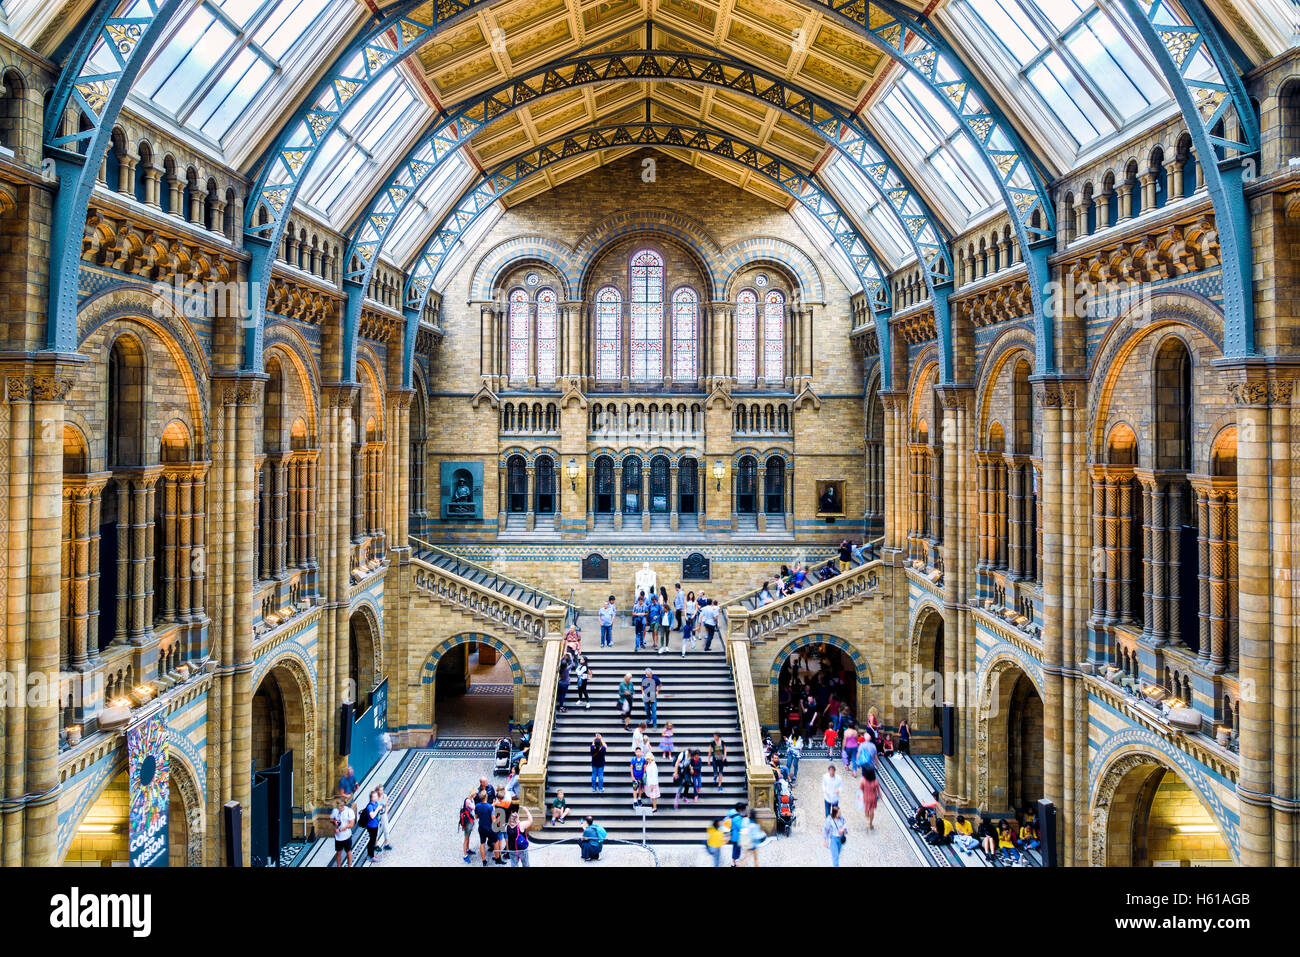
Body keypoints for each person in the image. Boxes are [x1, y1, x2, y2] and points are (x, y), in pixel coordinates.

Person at [331, 797, 356, 868]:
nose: (339, 810)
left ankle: (349, 866)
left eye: (340, 808)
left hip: (347, 836)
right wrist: (334, 821)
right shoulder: (335, 810)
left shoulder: (349, 811)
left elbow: (351, 824)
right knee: (338, 853)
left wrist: (340, 829)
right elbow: (331, 819)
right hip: (338, 837)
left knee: (348, 852)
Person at [473, 790, 495, 866]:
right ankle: (496, 856)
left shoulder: (477, 806)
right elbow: (493, 820)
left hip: (481, 827)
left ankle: (484, 861)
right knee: (496, 841)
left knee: (482, 843)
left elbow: (476, 817)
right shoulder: (490, 807)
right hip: (489, 828)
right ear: (486, 797)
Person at [724, 802, 747, 866]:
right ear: (739, 810)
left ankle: (735, 861)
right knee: (736, 850)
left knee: (736, 849)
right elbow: (741, 827)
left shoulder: (732, 812)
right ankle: (734, 863)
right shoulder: (737, 818)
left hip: (734, 836)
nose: (744, 811)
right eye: (743, 809)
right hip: (736, 837)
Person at [361, 789, 381, 861]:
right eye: (375, 797)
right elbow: (372, 816)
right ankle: (371, 856)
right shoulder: (370, 806)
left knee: (373, 840)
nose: (376, 797)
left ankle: (370, 854)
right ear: (371, 798)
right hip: (371, 826)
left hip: (375, 824)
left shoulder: (376, 803)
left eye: (376, 796)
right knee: (372, 841)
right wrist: (378, 809)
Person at [374, 783, 393, 851]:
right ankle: (375, 845)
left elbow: (386, 805)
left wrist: (386, 811)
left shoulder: (384, 796)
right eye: (380, 790)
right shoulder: (375, 798)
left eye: (382, 790)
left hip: (383, 813)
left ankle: (386, 843)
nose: (381, 792)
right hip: (377, 815)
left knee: (386, 828)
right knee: (376, 830)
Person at [458, 793, 476, 863]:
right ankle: (465, 855)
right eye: (475, 794)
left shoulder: (469, 799)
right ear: (472, 794)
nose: (476, 795)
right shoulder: (468, 801)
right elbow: (474, 808)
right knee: (466, 838)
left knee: (468, 837)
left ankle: (468, 849)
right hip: (467, 823)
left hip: (469, 822)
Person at [681, 590, 698, 655]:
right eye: (690, 595)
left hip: (693, 614)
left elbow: (696, 608)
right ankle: (688, 636)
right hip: (688, 614)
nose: (691, 596)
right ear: (688, 595)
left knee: (693, 625)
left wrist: (694, 614)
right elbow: (685, 608)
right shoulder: (686, 601)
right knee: (688, 626)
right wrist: (685, 615)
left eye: (692, 595)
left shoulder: (695, 601)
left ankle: (693, 635)